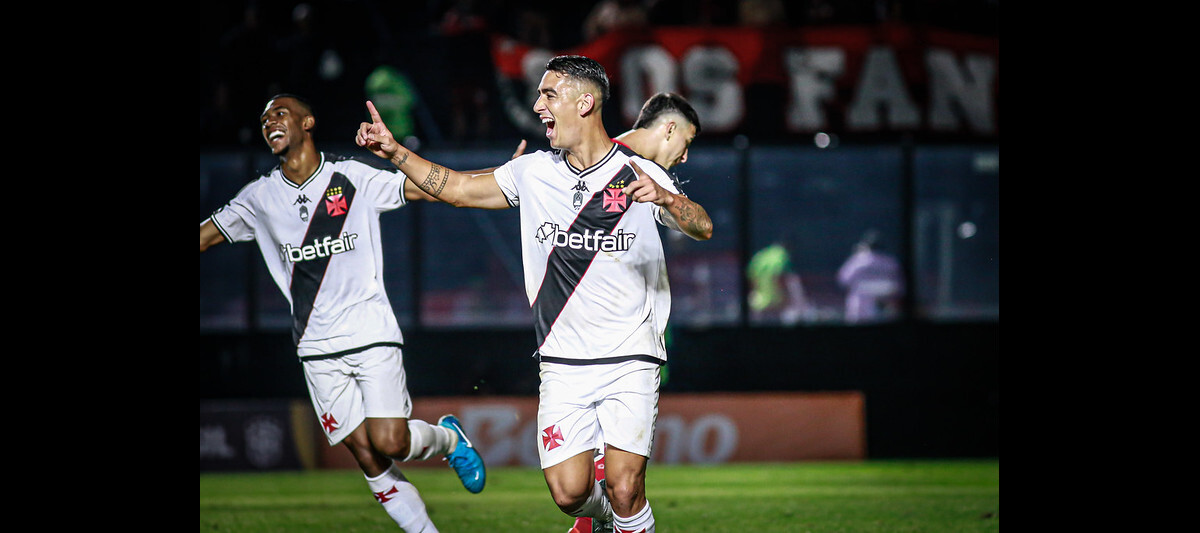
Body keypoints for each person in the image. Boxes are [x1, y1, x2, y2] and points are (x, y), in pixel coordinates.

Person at [356, 55, 713, 533]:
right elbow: (457, 188)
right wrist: (397, 152)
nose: (538, 105)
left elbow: (702, 225)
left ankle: (625, 515)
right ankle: (605, 519)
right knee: (570, 494)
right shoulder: (532, 172)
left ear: (584, 103)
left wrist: (668, 198)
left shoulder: (637, 171)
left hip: (631, 356)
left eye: (548, 95)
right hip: (563, 362)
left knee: (626, 487)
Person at [199, 94, 486, 532]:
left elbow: (424, 186)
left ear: (307, 121)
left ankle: (448, 438)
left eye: (280, 113)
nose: (270, 122)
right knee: (367, 456)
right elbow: (204, 236)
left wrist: (494, 179)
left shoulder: (351, 176)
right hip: (315, 347)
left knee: (391, 441)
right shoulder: (259, 197)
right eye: (264, 118)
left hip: (369, 331)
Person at [836, 229, 904, 323]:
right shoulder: (891, 262)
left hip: (861, 306)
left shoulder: (858, 260)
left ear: (867, 245)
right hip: (885, 306)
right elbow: (900, 287)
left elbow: (843, 279)